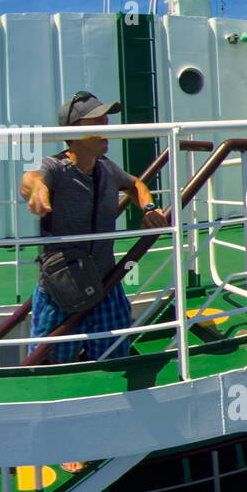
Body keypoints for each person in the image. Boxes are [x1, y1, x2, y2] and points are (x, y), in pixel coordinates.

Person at [18, 93, 169, 363]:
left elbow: (135, 184)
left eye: (106, 120)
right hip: (60, 292)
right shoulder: (56, 168)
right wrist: (37, 190)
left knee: (112, 358)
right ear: (75, 131)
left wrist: (148, 207)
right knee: (50, 367)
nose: (107, 127)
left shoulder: (106, 169)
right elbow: (31, 178)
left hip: (104, 284)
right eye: (99, 121)